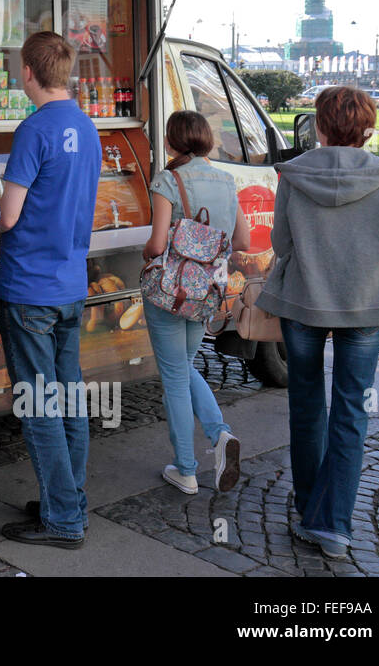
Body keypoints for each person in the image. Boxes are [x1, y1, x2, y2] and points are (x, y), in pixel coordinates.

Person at [256, 86, 379, 559]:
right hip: (368, 305)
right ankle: (332, 526)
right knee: (351, 411)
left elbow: (283, 243)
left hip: (303, 303)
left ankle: (311, 510)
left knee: (307, 408)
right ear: (367, 129)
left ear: (320, 127)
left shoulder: (293, 173)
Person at [0, 31, 101, 549]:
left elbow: (9, 216)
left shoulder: (33, 130)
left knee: (39, 406)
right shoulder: (87, 125)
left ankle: (62, 521)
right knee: (68, 399)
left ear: (29, 74)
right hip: (69, 283)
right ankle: (69, 502)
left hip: (29, 286)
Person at [142, 111, 250, 495]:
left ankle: (186, 468)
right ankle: (219, 437)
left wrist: (154, 251)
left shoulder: (168, 180)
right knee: (184, 367)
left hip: (171, 292)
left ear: (172, 141)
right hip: (207, 291)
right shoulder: (225, 180)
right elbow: (243, 241)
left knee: (174, 375)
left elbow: (156, 245)